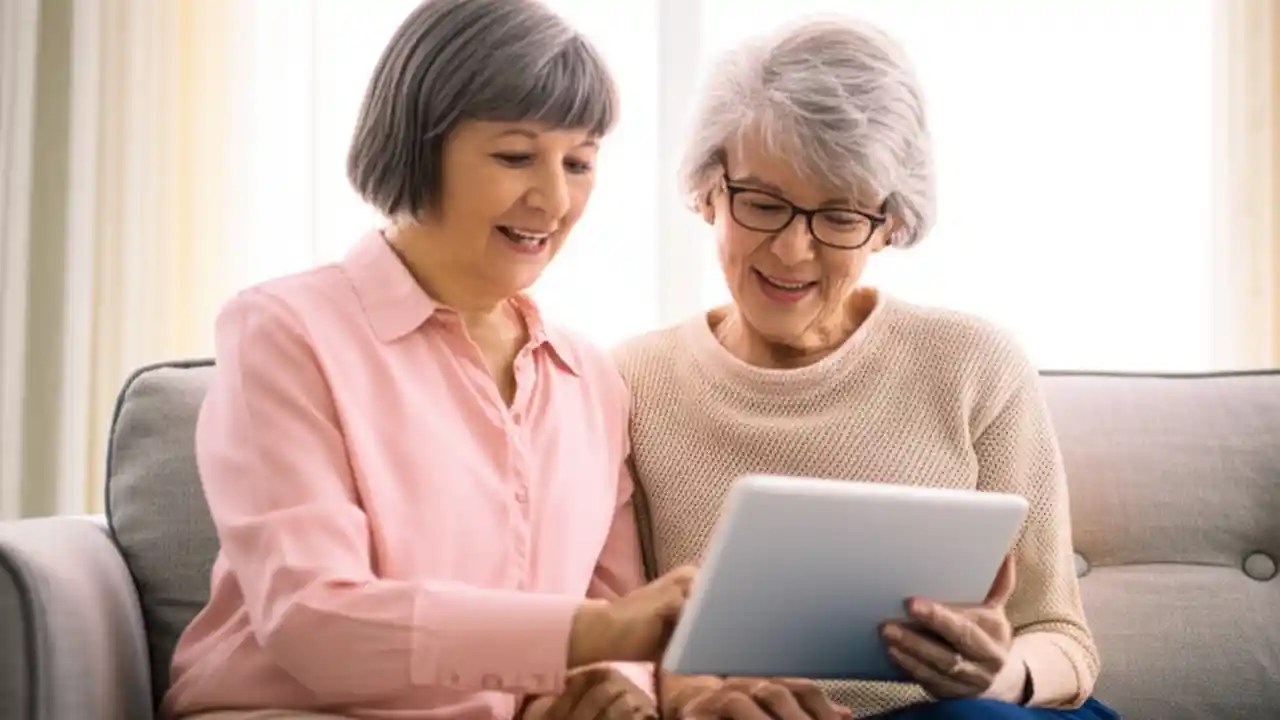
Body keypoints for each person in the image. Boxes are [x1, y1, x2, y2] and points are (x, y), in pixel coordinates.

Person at [162, 1, 692, 718]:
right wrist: (589, 634)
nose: (554, 198)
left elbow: (617, 609)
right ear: (419, 144)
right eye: (514, 156)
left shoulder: (589, 379)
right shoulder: (286, 332)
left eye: (579, 162)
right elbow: (313, 621)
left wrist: (607, 688)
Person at [615, 16, 1119, 720]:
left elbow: (1061, 639)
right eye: (762, 204)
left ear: (891, 222)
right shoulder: (632, 381)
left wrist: (1000, 675)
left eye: (841, 216)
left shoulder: (975, 364)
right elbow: (620, 640)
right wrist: (698, 699)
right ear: (708, 192)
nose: (792, 251)